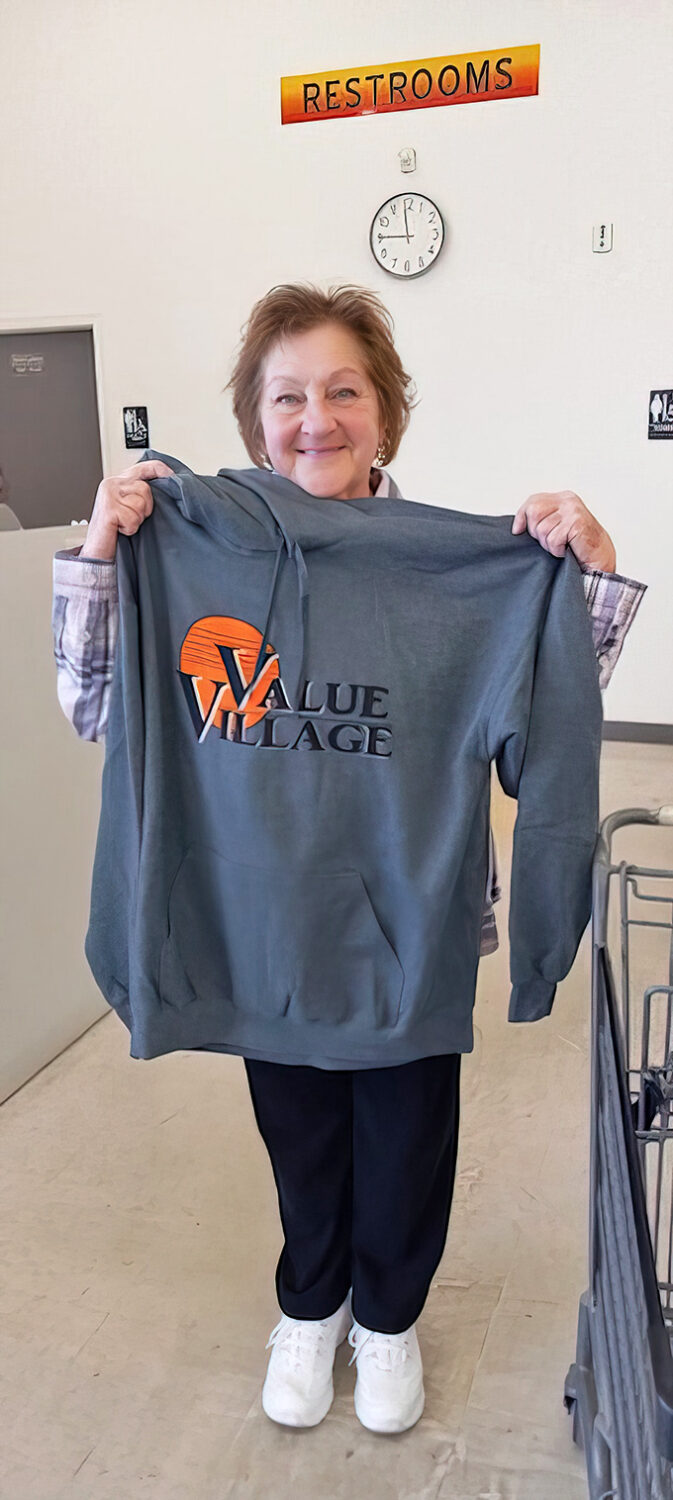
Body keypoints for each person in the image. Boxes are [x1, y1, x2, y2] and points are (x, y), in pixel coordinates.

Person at [51, 282, 647, 1435]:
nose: (314, 418)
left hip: (407, 920)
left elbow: (552, 706)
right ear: (251, 419)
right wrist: (101, 541)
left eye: (342, 391)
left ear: (385, 413)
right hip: (259, 917)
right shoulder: (190, 554)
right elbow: (94, 708)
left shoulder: (460, 568)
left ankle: (388, 1320)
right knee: (298, 1125)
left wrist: (586, 563)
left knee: (406, 1129)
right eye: (287, 397)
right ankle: (309, 1304)